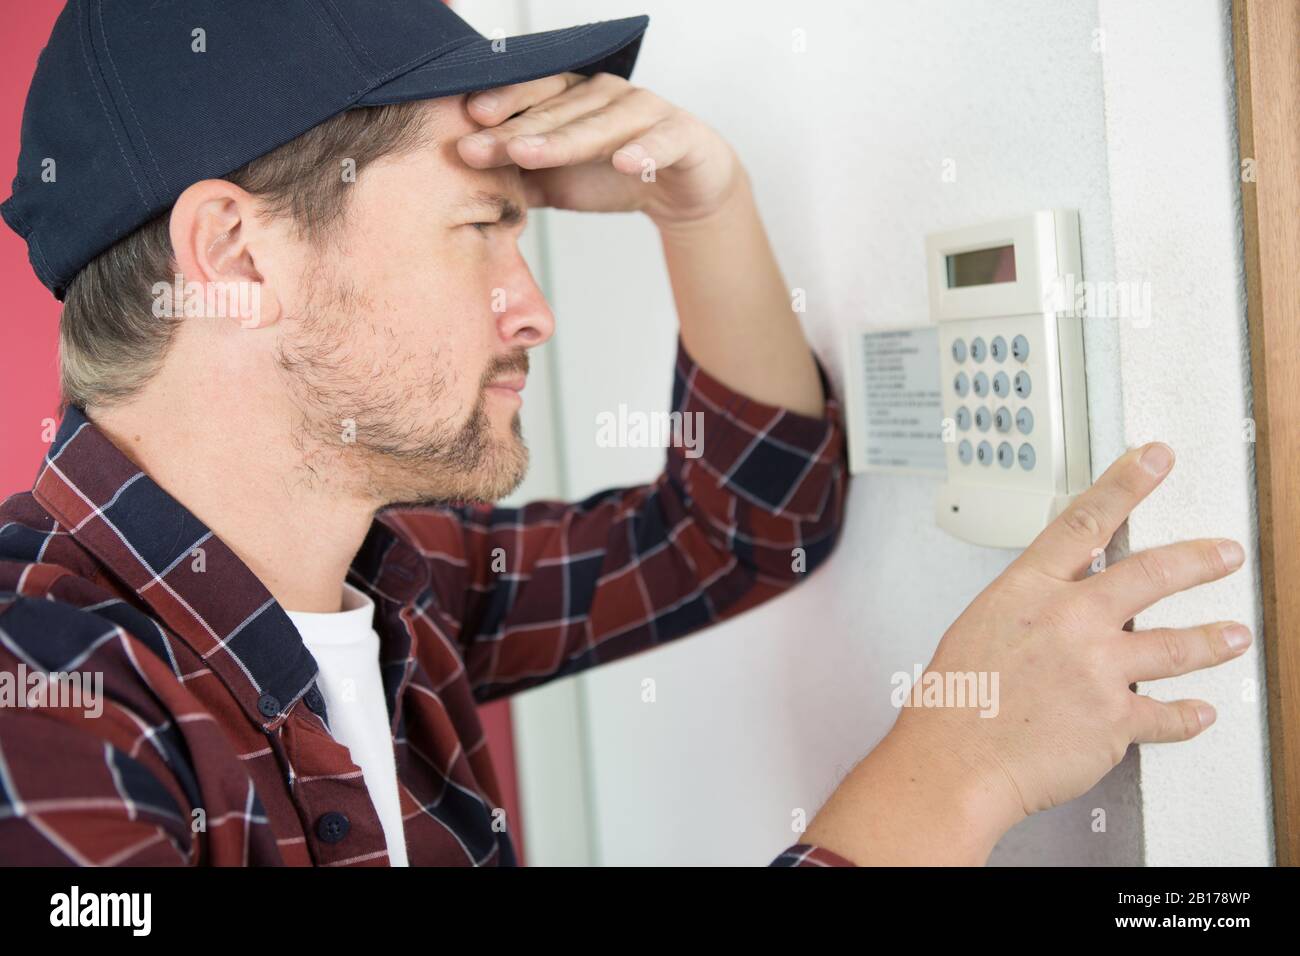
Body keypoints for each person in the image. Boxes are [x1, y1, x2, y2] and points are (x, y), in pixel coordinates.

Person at [0, 2, 1246, 867]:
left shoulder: (396, 579)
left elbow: (741, 525)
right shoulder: (41, 708)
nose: (530, 305)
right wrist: (958, 768)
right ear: (235, 253)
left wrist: (701, 205)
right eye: (480, 224)